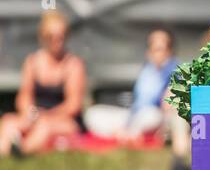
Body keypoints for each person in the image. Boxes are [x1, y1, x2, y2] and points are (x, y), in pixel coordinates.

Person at [0, 10, 86, 157]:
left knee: (44, 126)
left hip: (63, 119)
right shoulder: (32, 62)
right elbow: (24, 96)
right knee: (9, 122)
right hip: (37, 115)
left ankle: (22, 154)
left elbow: (73, 105)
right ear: (43, 37)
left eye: (60, 37)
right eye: (51, 37)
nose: (56, 42)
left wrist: (46, 115)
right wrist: (31, 114)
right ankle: (4, 161)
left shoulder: (73, 65)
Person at [84, 28, 179, 143]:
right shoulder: (147, 70)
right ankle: (124, 135)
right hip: (133, 115)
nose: (156, 53)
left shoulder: (175, 71)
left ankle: (127, 134)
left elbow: (168, 106)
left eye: (160, 48)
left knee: (152, 115)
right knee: (93, 113)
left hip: (154, 116)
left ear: (169, 51)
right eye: (153, 48)